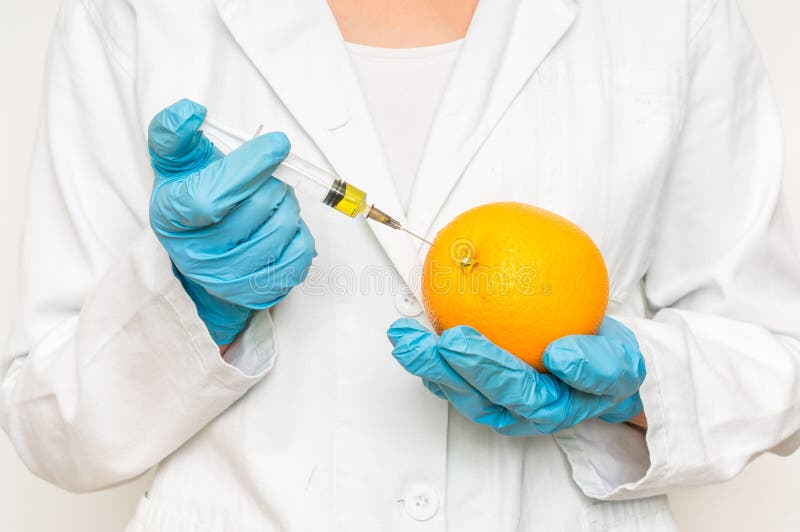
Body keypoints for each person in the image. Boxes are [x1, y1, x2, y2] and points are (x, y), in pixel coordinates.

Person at [2, 0, 799, 530]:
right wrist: (190, 306)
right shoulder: (140, 15)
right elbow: (55, 429)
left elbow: (776, 361)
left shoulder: (671, 15)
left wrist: (634, 385)